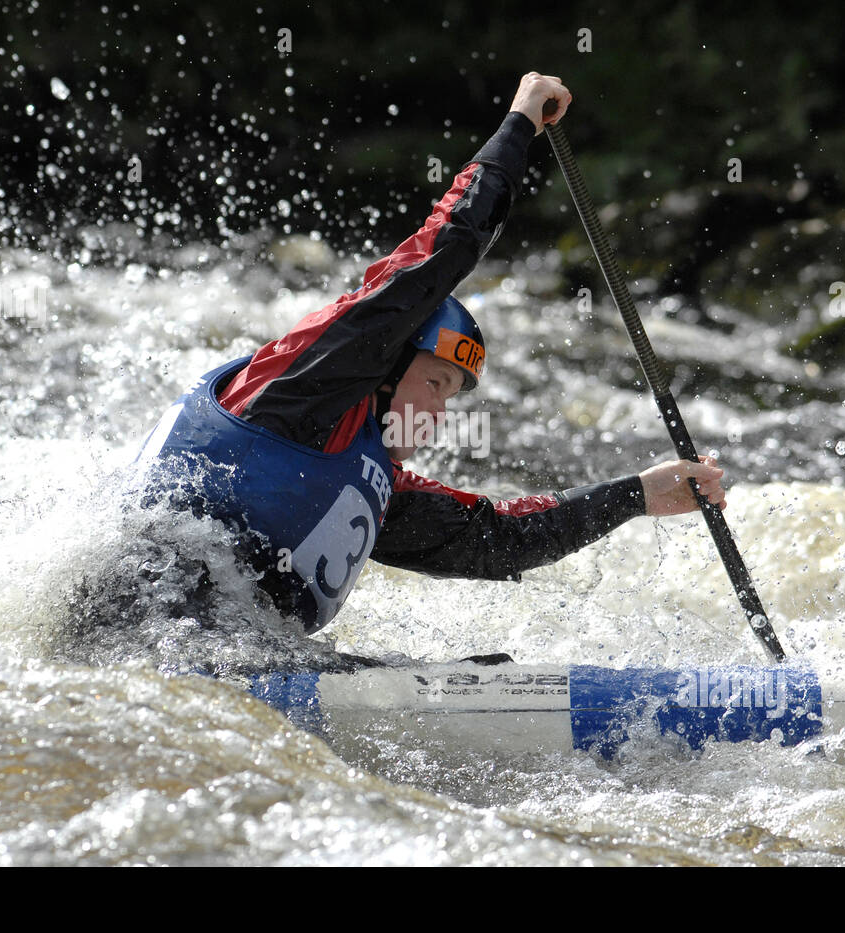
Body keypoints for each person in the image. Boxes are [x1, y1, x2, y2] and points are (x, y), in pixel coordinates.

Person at [134, 72, 727, 643]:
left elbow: (499, 537)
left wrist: (638, 494)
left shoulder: (370, 486)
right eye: (437, 381)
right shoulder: (299, 384)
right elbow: (443, 250)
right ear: (386, 367)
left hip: (227, 654)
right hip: (130, 615)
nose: (440, 411)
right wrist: (520, 123)